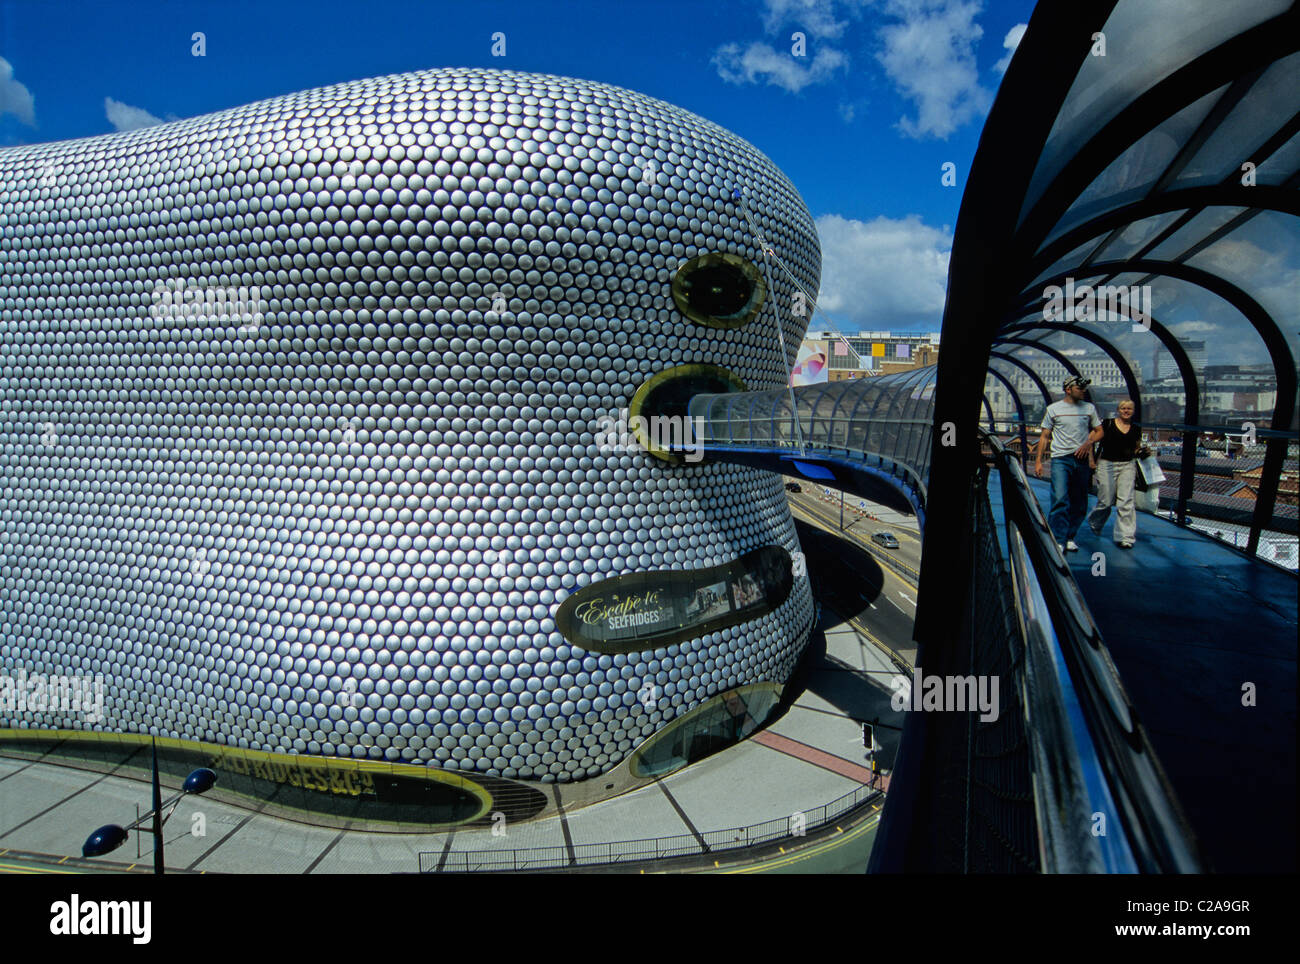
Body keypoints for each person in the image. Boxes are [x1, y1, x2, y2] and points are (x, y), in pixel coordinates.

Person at [1034, 375, 1101, 552]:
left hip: (1081, 460)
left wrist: (1088, 443)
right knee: (1060, 498)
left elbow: (1099, 431)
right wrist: (1038, 461)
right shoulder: (1053, 409)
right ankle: (1058, 538)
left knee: (1079, 501)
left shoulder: (1089, 409)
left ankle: (1070, 535)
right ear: (1068, 389)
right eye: (1080, 388)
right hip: (1060, 459)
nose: (1083, 391)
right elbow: (1045, 436)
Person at [1084, 398, 1143, 548]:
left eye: (1129, 408)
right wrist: (1091, 460)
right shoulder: (1107, 424)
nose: (1126, 411)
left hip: (1127, 465)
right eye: (1123, 408)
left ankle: (1125, 537)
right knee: (1105, 500)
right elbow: (1090, 440)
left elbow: (1136, 448)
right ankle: (1095, 521)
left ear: (1133, 411)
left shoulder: (1136, 429)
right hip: (1107, 464)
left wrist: (1142, 452)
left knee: (1126, 501)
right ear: (1118, 410)